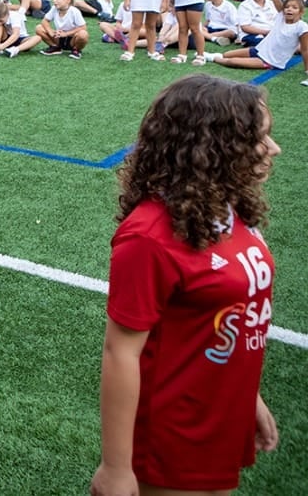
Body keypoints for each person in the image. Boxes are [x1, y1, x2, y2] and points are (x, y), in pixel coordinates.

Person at [91, 75, 280, 496]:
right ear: (214, 146)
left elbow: (224, 317)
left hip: (220, 414)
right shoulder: (149, 236)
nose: (273, 148)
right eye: (259, 138)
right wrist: (116, 467)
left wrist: (249, 397)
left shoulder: (229, 208)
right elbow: (121, 352)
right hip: (173, 435)